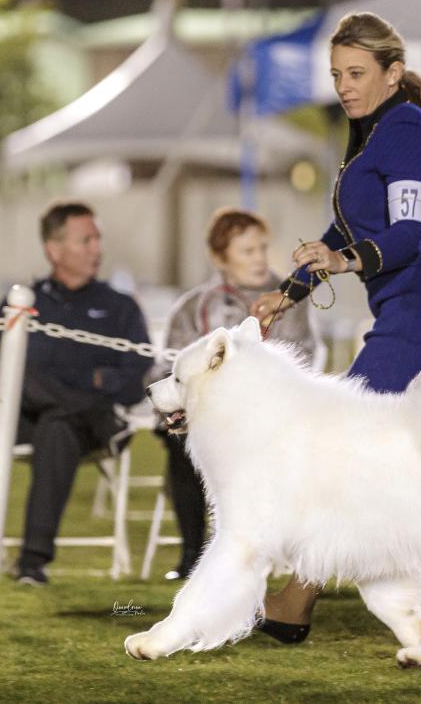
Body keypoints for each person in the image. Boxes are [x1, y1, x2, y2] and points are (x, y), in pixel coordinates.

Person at [250, 12, 421, 640]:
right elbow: (346, 233)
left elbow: (409, 236)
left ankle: (293, 602)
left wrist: (340, 261)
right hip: (419, 314)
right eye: (336, 74)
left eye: (357, 73)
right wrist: (287, 295)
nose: (344, 85)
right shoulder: (371, 130)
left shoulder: (406, 130)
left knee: (343, 444)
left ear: (393, 73)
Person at [0, 201, 152, 585]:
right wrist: (86, 381)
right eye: (85, 240)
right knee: (11, 376)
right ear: (54, 250)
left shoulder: (119, 307)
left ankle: (32, 562)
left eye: (97, 239)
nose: (96, 249)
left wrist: (41, 381)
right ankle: (62, 403)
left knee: (57, 423)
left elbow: (135, 378)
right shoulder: (23, 301)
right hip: (26, 421)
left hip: (95, 426)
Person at [150, 208, 317, 581]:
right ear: (219, 257)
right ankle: (194, 553)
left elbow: (302, 359)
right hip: (206, 418)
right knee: (181, 440)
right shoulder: (193, 307)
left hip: (271, 421)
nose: (259, 258)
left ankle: (277, 550)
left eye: (262, 248)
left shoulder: (290, 299)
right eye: (247, 251)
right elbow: (169, 368)